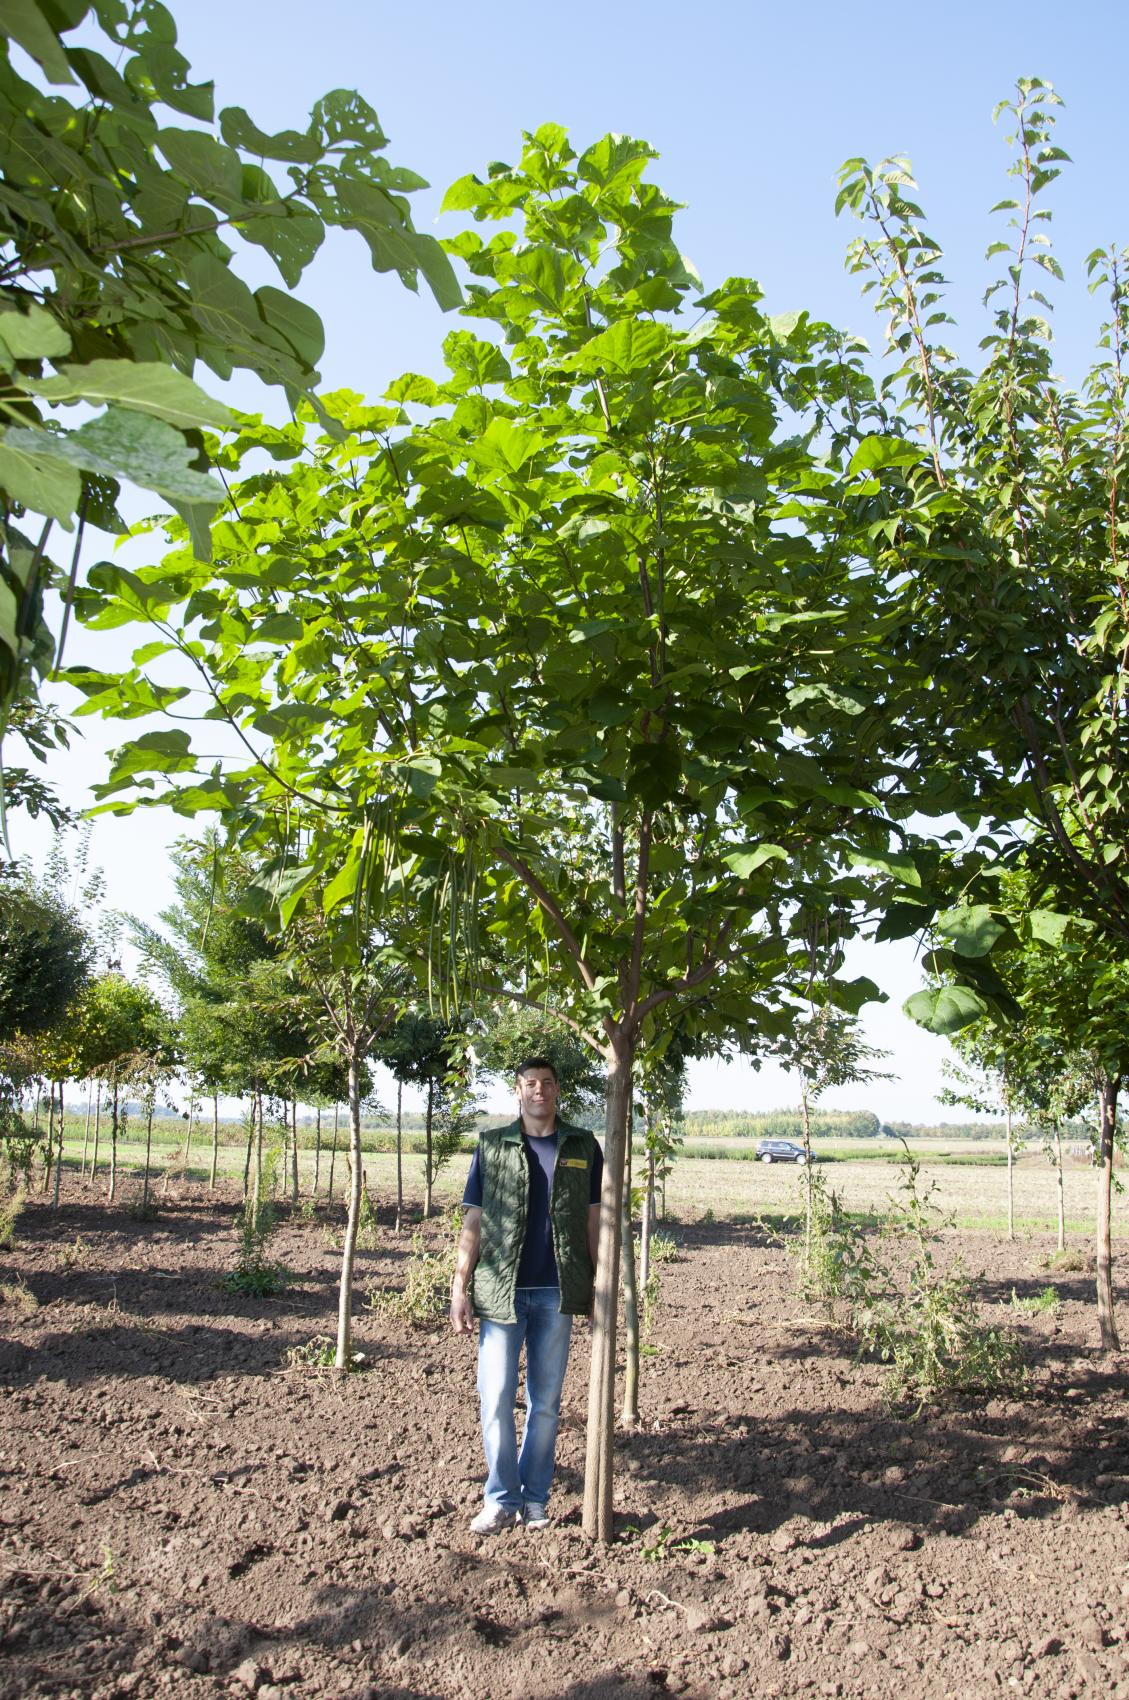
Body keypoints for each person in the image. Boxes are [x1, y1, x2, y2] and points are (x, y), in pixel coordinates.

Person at [450, 1056, 603, 1534]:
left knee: (546, 1402)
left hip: (557, 1291)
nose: (539, 1091)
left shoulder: (582, 1144)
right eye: (530, 1084)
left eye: (547, 1083)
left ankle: (535, 1499)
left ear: (558, 1090)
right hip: (502, 1291)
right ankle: (500, 1497)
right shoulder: (492, 1146)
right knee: (494, 1397)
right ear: (517, 1092)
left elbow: (593, 1219)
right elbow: (473, 1220)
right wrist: (460, 1284)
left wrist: (599, 1283)